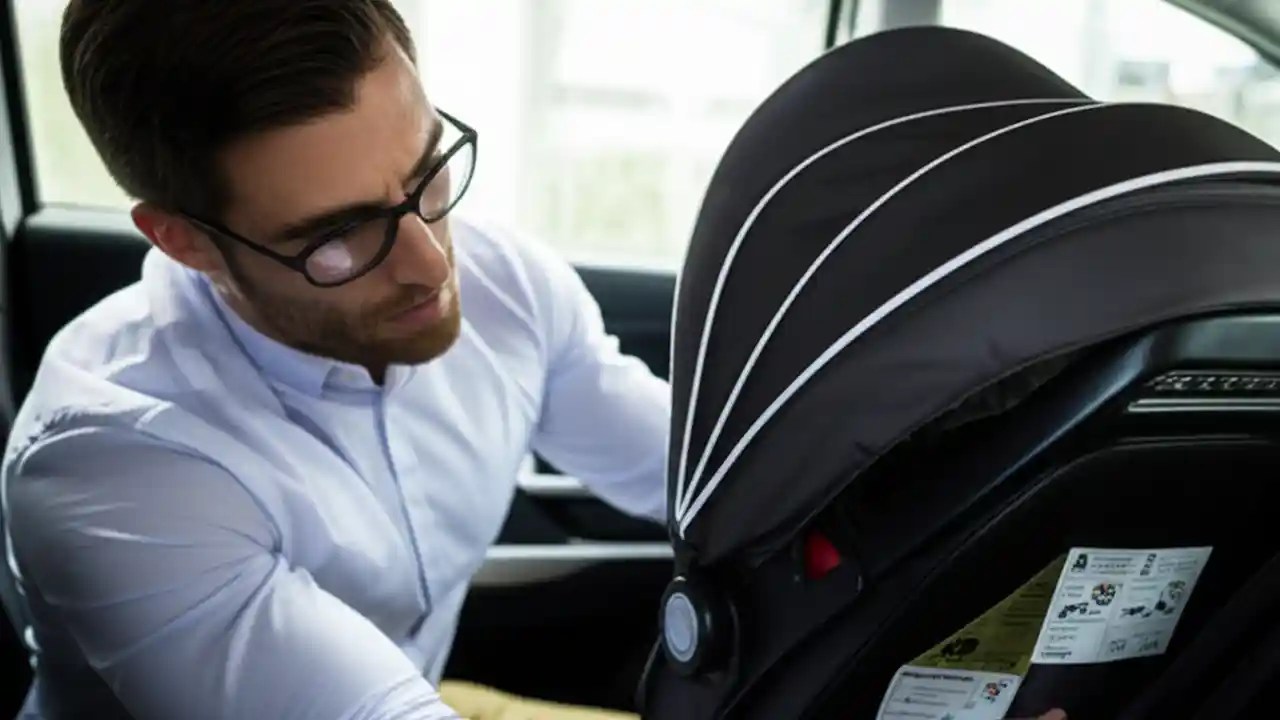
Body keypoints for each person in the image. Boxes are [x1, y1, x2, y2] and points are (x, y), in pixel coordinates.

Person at [0, 2, 1073, 719]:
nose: (430, 263)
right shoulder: (107, 470)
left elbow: (707, 480)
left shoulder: (504, 283)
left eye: (426, 174)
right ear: (182, 240)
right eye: (338, 235)